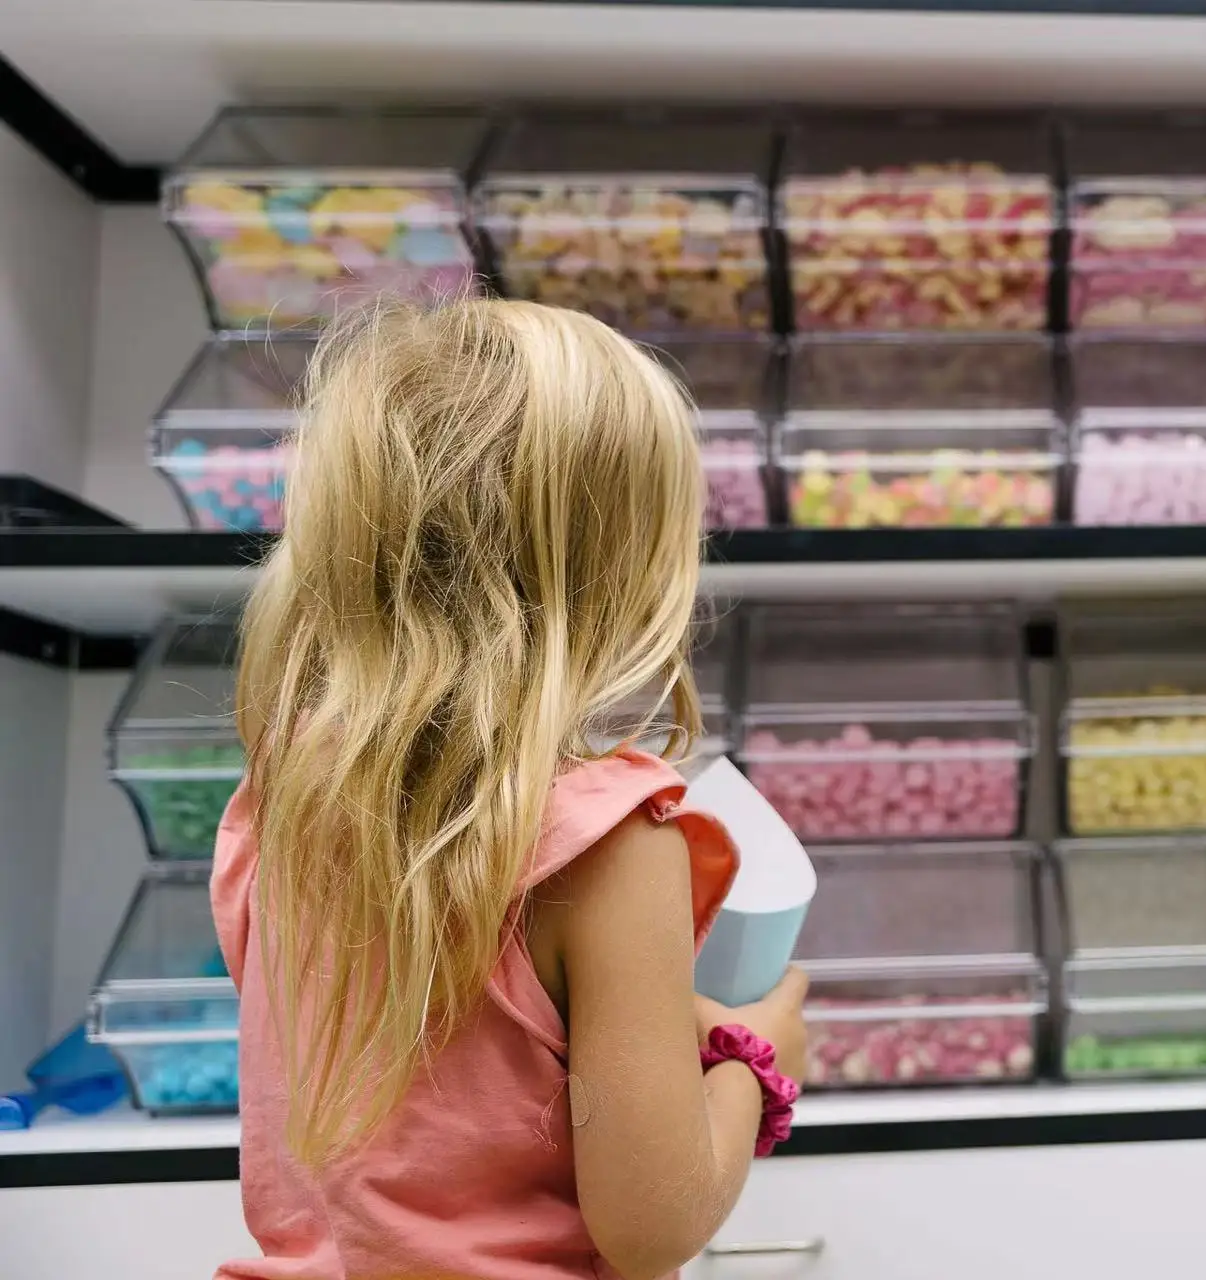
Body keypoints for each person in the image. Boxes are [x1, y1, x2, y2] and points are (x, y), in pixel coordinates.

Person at [210, 298, 808, 1280]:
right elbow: (652, 1224)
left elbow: (442, 1061)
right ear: (626, 562)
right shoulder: (611, 839)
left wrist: (657, 1020)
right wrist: (760, 1061)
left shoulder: (278, 807)